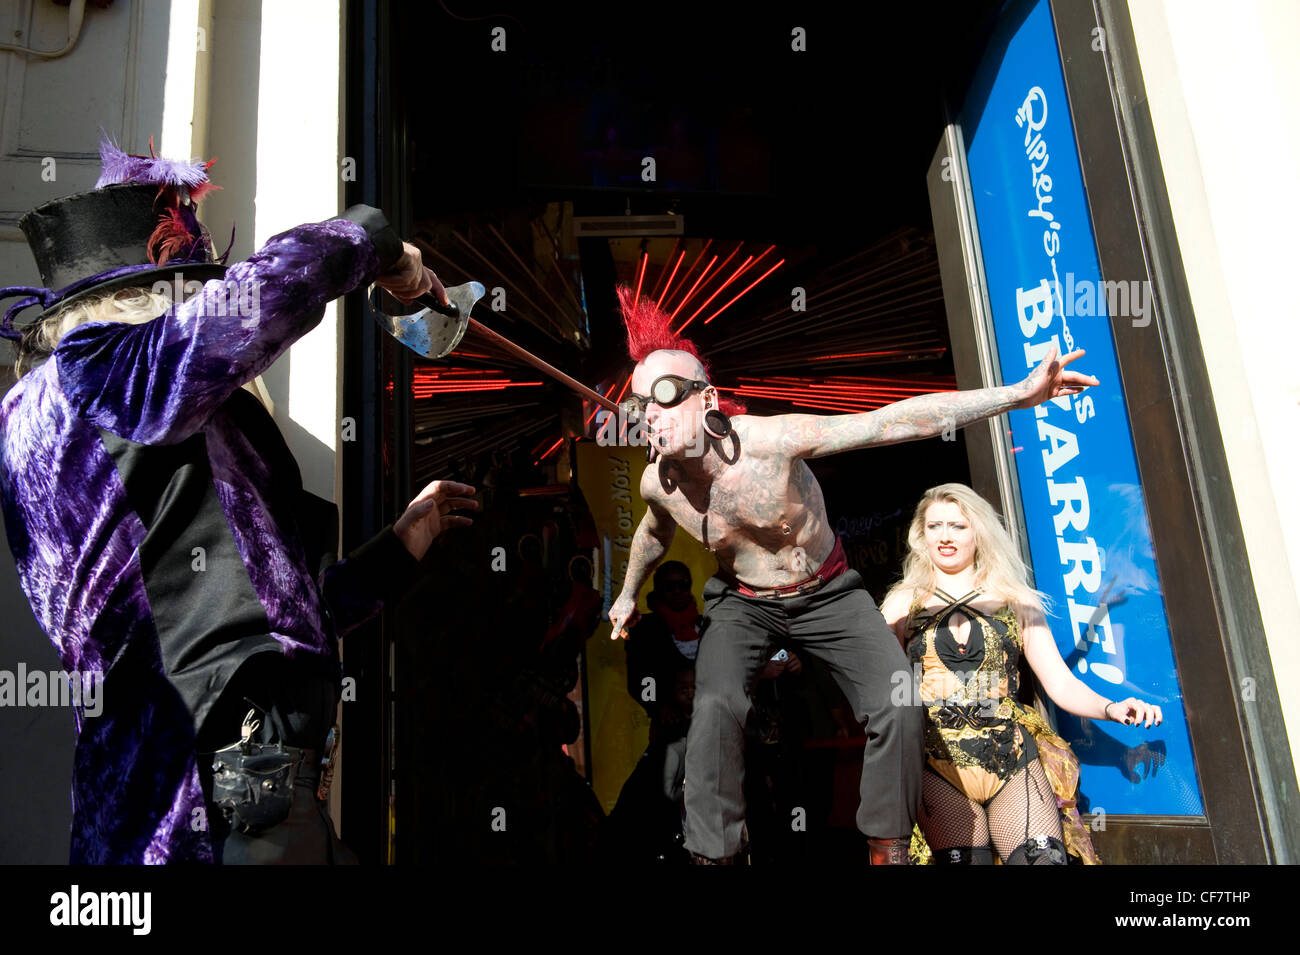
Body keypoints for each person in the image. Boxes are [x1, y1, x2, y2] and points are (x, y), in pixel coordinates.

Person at [0, 137, 479, 863]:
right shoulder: (93, 373)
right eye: (187, 291)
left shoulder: (144, 420)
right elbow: (263, 297)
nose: (200, 304)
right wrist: (375, 241)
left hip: (231, 790)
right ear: (133, 302)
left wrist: (398, 548)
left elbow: (267, 608)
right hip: (201, 794)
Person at [606, 286, 1100, 864]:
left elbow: (893, 423)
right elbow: (653, 532)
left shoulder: (773, 443)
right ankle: (714, 855)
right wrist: (625, 593)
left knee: (898, 701)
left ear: (707, 398)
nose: (651, 415)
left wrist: (1017, 396)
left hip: (825, 591)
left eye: (665, 396)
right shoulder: (657, 483)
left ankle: (886, 847)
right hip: (743, 602)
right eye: (640, 405)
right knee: (714, 704)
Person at [878, 483, 1163, 864]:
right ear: (920, 534)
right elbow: (878, 689)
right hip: (936, 763)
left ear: (978, 532)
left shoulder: (1017, 600)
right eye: (935, 526)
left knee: (1043, 859)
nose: (945, 536)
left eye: (958, 527)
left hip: (1012, 759)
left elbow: (1060, 683)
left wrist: (1112, 708)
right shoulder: (901, 604)